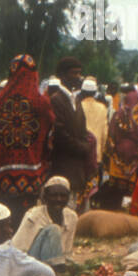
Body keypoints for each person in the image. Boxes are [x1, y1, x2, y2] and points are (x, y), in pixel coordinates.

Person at [0, 53, 55, 229]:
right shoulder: (42, 103)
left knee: (2, 223)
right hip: (32, 179)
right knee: (24, 225)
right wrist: (44, 163)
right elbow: (51, 138)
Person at [12, 177, 97, 276]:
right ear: (45, 197)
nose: (58, 199)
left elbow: (66, 255)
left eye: (63, 196)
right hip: (30, 271)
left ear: (68, 198)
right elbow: (17, 252)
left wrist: (77, 270)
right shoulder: (34, 215)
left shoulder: (71, 217)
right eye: (54, 195)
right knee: (53, 230)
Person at [46, 57, 91, 203]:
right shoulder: (56, 99)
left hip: (77, 165)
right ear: (62, 75)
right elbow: (60, 133)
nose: (78, 77)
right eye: (74, 73)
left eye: (79, 73)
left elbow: (83, 128)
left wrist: (85, 144)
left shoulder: (75, 100)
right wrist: (81, 147)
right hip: (63, 164)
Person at [102, 89, 138, 207]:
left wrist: (111, 150)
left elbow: (111, 133)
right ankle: (126, 207)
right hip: (134, 155)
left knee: (115, 185)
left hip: (117, 154)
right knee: (130, 186)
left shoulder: (118, 113)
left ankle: (112, 206)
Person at [80, 78, 108, 175]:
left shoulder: (78, 106)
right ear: (95, 92)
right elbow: (105, 133)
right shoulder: (102, 108)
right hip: (96, 154)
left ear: (82, 92)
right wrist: (102, 151)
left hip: (81, 152)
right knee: (94, 186)